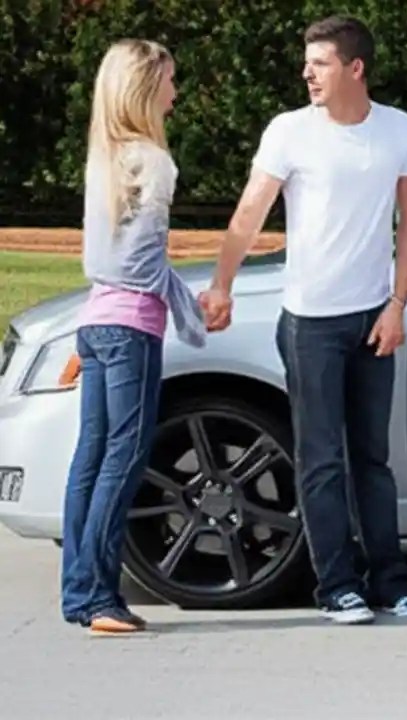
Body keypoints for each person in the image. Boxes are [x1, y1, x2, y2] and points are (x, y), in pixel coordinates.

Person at [199, 15, 407, 624]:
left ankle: (393, 582)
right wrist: (222, 284)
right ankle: (338, 587)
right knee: (321, 458)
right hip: (310, 321)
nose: (307, 73)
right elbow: (251, 209)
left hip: (372, 319)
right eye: (307, 63)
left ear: (355, 68)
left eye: (321, 63)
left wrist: (397, 304)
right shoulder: (289, 132)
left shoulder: (399, 131)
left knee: (372, 459)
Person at [62, 38, 208, 634]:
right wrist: (190, 312)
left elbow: (106, 259)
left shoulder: (105, 157)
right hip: (129, 329)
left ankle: (78, 593)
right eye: (170, 81)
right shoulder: (154, 161)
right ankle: (99, 598)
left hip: (97, 323)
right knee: (122, 459)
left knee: (91, 460)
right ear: (147, 87)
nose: (176, 94)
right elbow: (144, 266)